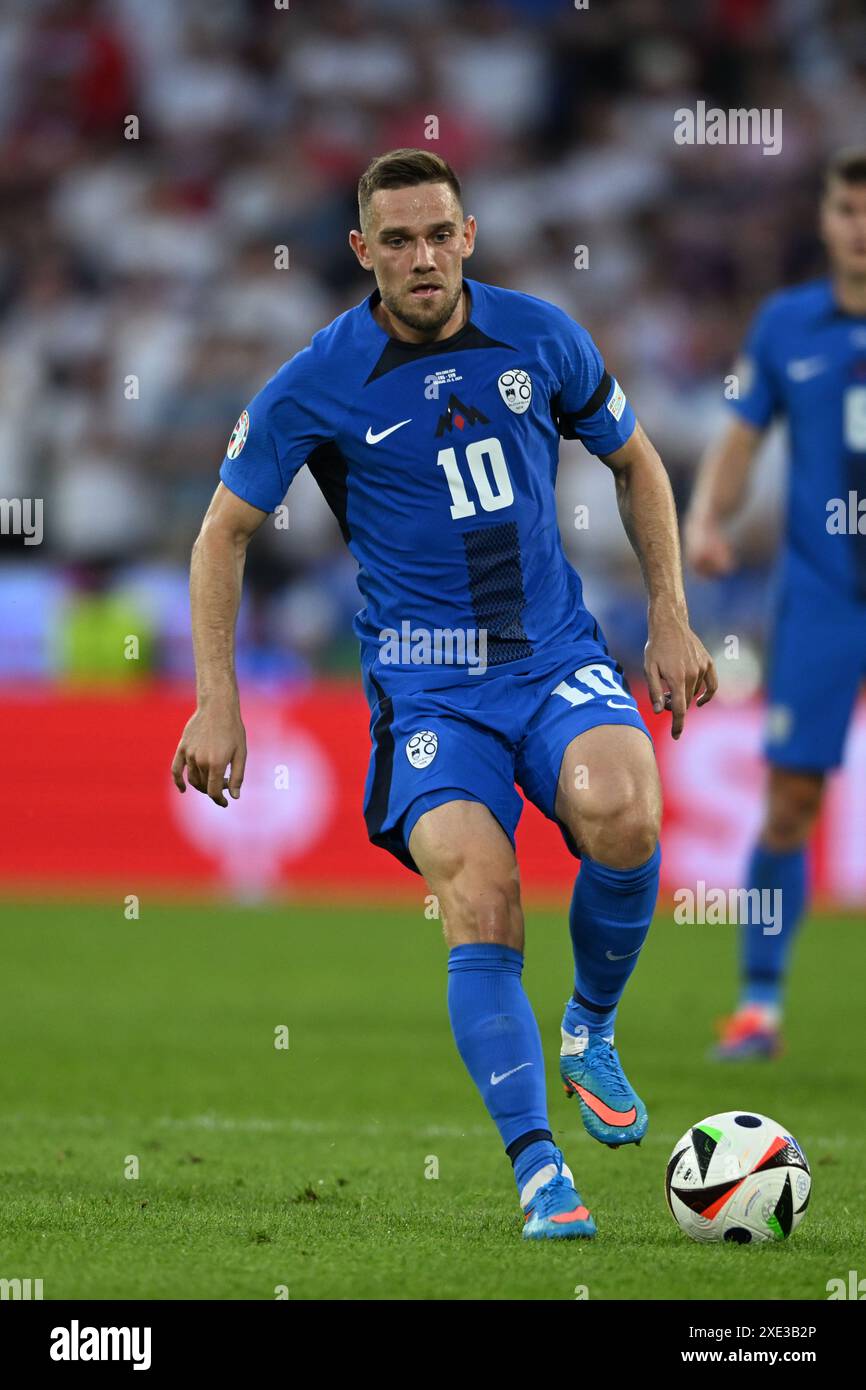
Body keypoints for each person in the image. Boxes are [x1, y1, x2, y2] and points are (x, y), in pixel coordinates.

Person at [172, 149, 716, 1238]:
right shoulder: (315, 380)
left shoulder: (541, 336)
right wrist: (215, 695)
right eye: (397, 240)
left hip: (553, 652)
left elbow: (637, 463)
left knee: (624, 809)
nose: (420, 258)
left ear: (466, 237)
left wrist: (668, 613)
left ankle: (589, 1029)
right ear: (361, 251)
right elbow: (222, 532)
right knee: (481, 893)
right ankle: (535, 1168)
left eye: (438, 235)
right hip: (429, 693)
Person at [685, 148, 866, 1060]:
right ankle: (759, 1007)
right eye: (848, 208)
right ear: (829, 219)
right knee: (791, 800)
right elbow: (743, 433)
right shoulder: (788, 323)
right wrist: (707, 519)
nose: (860, 226)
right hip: (825, 595)